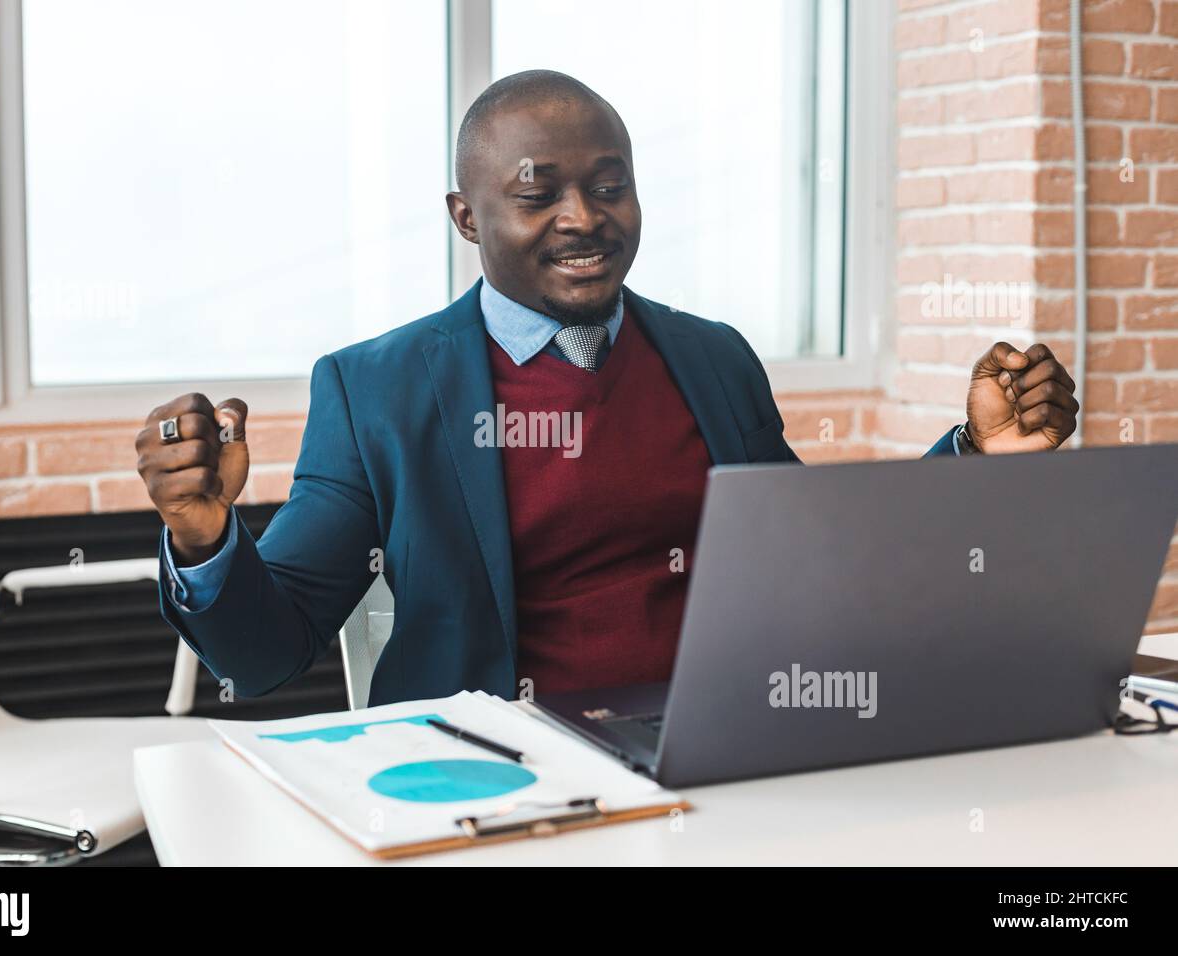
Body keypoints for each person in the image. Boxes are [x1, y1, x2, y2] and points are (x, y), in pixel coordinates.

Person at [135, 71, 1078, 705]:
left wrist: (974, 454)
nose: (584, 219)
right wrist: (207, 536)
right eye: (537, 194)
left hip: (727, 745)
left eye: (610, 186)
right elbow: (263, 657)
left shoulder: (712, 357)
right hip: (499, 784)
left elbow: (820, 554)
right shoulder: (374, 389)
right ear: (468, 217)